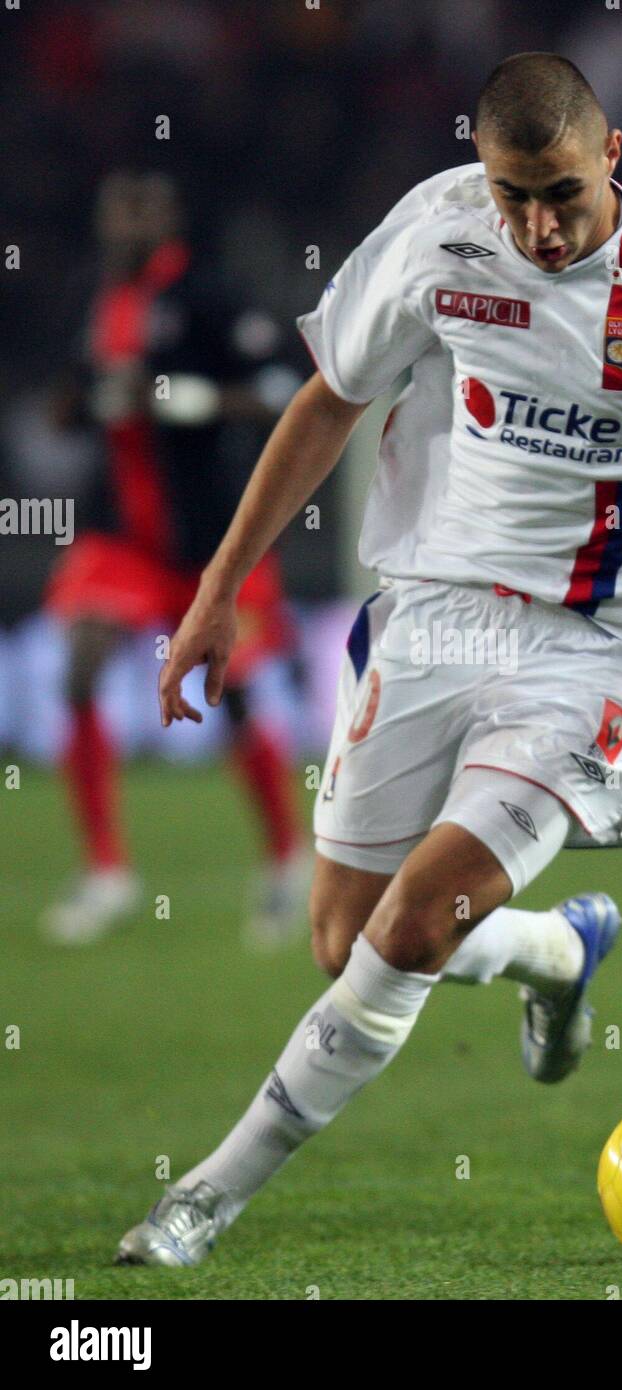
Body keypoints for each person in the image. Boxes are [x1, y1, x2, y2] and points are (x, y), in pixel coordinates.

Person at [116, 54, 622, 1266]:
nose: (536, 225)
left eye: (560, 192)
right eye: (512, 194)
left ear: (611, 154)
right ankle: (563, 953)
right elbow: (329, 399)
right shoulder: (437, 236)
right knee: (341, 938)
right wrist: (218, 587)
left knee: (407, 933)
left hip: (601, 652)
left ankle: (200, 1197)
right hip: (436, 613)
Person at [43, 171, 311, 951]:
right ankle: (106, 870)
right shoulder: (92, 301)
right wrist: (94, 400)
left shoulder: (209, 297)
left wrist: (187, 397)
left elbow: (281, 386)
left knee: (233, 695)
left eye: (141, 209)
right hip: (120, 534)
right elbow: (64, 406)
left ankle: (286, 860)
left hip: (211, 540)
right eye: (116, 209)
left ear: (168, 218)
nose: (125, 223)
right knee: (80, 661)